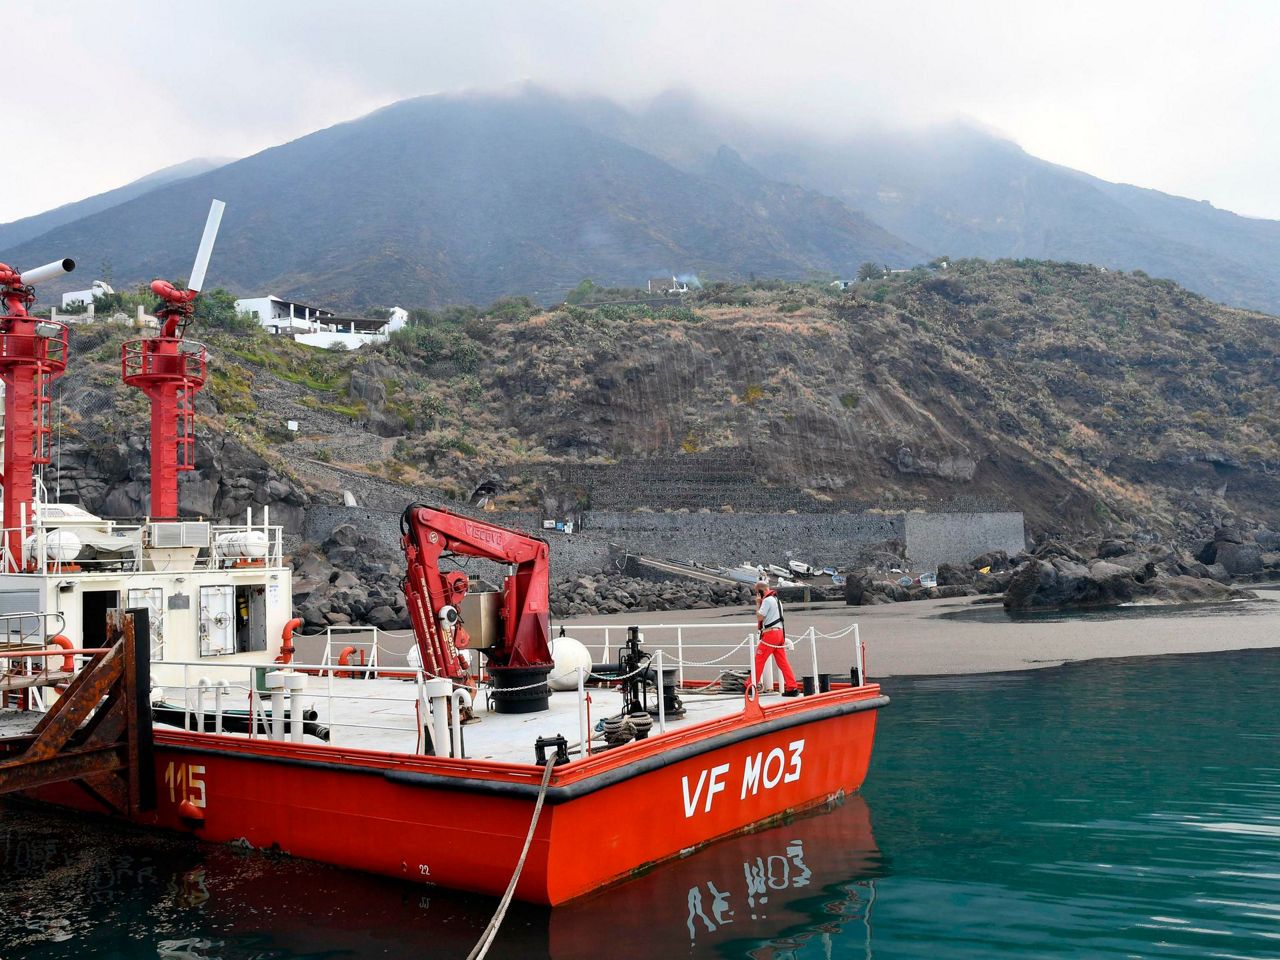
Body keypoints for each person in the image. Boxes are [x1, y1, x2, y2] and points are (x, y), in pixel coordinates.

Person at [754, 580, 800, 697]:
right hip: (780, 634)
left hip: (771, 634)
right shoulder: (777, 600)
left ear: (761, 591)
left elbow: (760, 616)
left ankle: (750, 685)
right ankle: (792, 687)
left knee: (759, 659)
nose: (757, 595)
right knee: (782, 662)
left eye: (757, 592)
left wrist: (758, 603)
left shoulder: (767, 601)